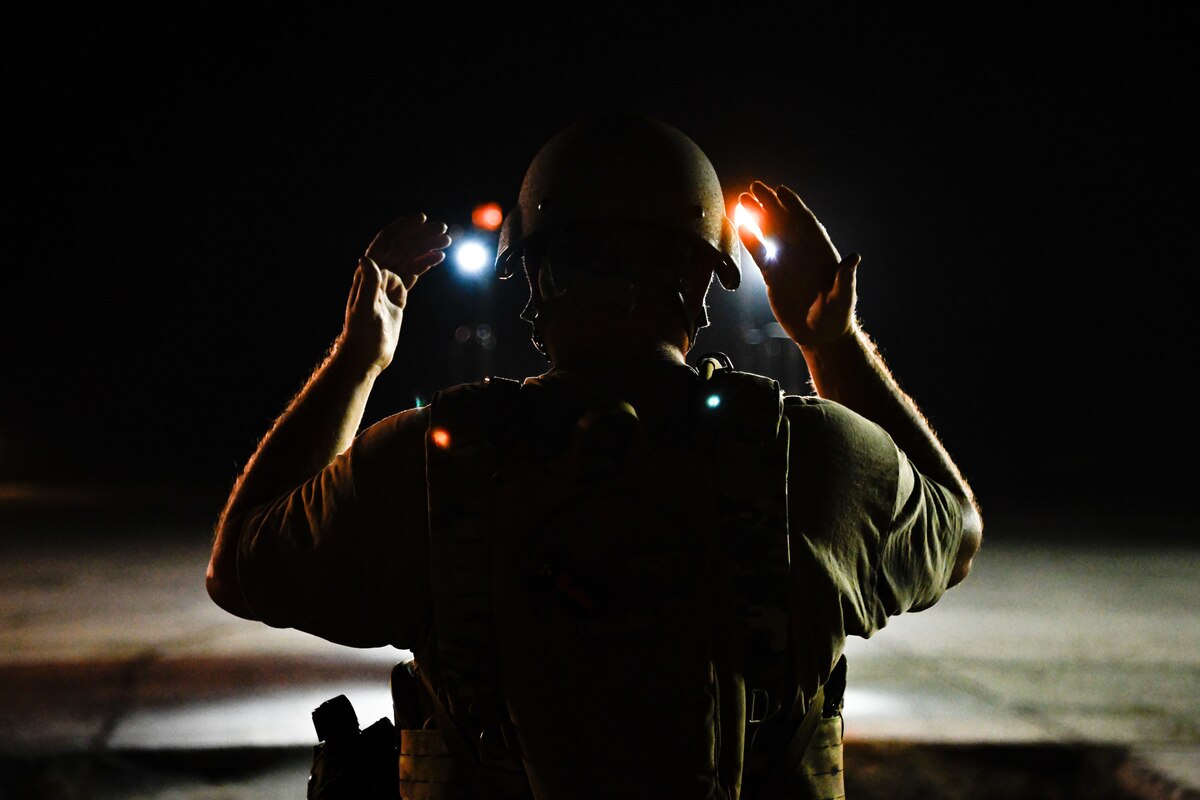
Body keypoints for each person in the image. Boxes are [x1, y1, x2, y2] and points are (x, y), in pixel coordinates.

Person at [206, 114, 983, 799]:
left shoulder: (427, 464)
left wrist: (357, 361)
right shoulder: (814, 456)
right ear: (701, 282)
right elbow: (959, 531)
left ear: (536, 279)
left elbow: (239, 567)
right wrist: (830, 342)